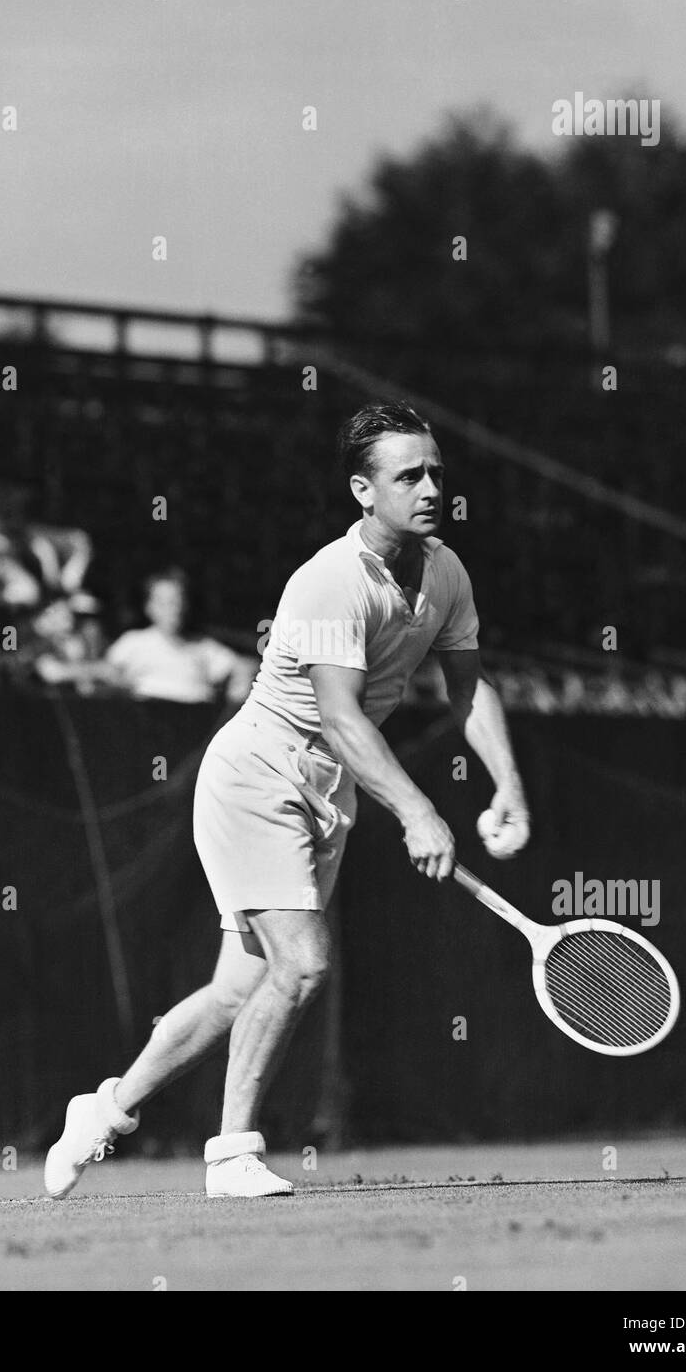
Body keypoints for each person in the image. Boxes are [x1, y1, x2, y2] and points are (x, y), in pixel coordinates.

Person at [44, 402, 530, 1200]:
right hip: (257, 777)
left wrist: (506, 783)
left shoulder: (445, 573)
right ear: (361, 491)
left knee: (242, 986)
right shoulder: (329, 581)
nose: (430, 486)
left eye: (436, 471)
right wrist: (415, 809)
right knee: (301, 965)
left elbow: (468, 690)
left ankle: (102, 1113)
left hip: (328, 789)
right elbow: (338, 714)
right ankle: (231, 1153)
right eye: (408, 475)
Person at [105, 568, 255, 704]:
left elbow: (243, 667)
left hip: (197, 725)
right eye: (166, 603)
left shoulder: (203, 647)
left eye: (179, 601)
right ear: (149, 607)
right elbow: (103, 673)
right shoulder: (132, 643)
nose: (175, 609)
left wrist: (241, 681)